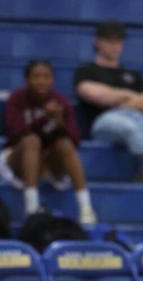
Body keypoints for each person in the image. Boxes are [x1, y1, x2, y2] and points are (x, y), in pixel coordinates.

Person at [74, 20, 143, 176]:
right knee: (129, 128)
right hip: (102, 121)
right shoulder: (85, 71)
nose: (115, 46)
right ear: (97, 42)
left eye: (118, 41)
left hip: (135, 118)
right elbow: (92, 94)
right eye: (110, 41)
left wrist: (113, 97)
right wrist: (130, 96)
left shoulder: (133, 75)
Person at [0, 59, 96, 226]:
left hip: (49, 161)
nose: (41, 81)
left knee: (64, 144)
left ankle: (86, 207)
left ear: (53, 80)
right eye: (36, 76)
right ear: (27, 79)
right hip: (19, 158)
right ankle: (32, 209)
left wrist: (59, 123)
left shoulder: (61, 101)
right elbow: (16, 134)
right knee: (32, 141)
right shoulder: (16, 98)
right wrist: (45, 119)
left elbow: (75, 140)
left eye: (46, 76)